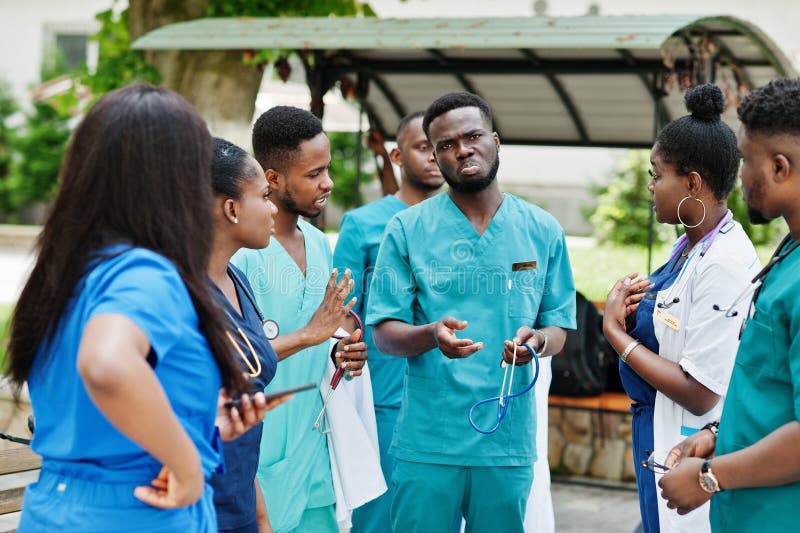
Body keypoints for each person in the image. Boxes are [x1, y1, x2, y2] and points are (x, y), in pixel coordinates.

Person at [7, 84, 267, 532]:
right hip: (138, 511)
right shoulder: (147, 272)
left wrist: (201, 422)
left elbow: (98, 411)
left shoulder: (66, 272)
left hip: (55, 508)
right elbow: (107, 363)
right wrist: (185, 464)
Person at [367, 92, 576, 533]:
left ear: (496, 141)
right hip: (430, 441)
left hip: (505, 440)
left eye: (473, 136)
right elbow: (384, 333)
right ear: (435, 156)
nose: (461, 149)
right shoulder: (407, 229)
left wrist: (537, 342)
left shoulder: (542, 231)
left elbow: (558, 328)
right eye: (445, 144)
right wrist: (430, 334)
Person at [602, 84, 760, 533]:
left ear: (692, 183)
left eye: (657, 174)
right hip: (656, 428)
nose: (650, 186)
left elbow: (700, 391)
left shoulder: (725, 264)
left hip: (687, 441)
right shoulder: (687, 246)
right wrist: (633, 311)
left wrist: (616, 334)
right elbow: (675, 324)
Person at [658, 78, 800, 532]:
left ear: (779, 168)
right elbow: (770, 388)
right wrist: (718, 437)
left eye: (745, 162)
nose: (738, 176)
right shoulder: (788, 254)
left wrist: (709, 478)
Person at [232, 106, 368, 533]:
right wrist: (312, 335)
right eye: (314, 174)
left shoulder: (317, 241)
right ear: (272, 179)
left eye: (327, 169)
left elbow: (328, 328)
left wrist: (344, 349)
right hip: (263, 452)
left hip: (314, 451)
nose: (327, 182)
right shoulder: (242, 253)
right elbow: (232, 360)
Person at [333, 111, 444, 533]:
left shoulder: (468, 223)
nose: (435, 157)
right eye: (424, 147)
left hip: (450, 396)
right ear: (397, 155)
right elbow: (343, 316)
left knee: (437, 517)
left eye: (442, 147)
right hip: (384, 393)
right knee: (377, 516)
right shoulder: (361, 224)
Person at [207, 138, 300, 532]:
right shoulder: (178, 295)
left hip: (239, 504)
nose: (273, 208)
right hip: (194, 510)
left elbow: (241, 434)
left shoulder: (236, 280)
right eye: (264, 196)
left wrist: (259, 516)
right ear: (231, 208)